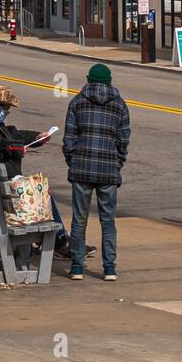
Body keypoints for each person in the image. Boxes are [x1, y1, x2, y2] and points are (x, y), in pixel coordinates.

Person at [0, 84, 83, 261]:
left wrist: (36, 138)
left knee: (44, 194)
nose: (6, 112)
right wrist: (16, 148)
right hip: (0, 190)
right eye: (5, 108)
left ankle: (59, 240)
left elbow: (11, 134)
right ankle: (59, 242)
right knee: (44, 195)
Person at [62, 63, 130, 281]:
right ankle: (109, 268)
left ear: (89, 80)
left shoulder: (77, 102)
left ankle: (77, 267)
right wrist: (117, 163)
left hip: (81, 167)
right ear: (109, 81)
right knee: (108, 221)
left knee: (79, 220)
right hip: (108, 169)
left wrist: (72, 161)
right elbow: (123, 139)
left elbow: (69, 139)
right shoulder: (119, 105)